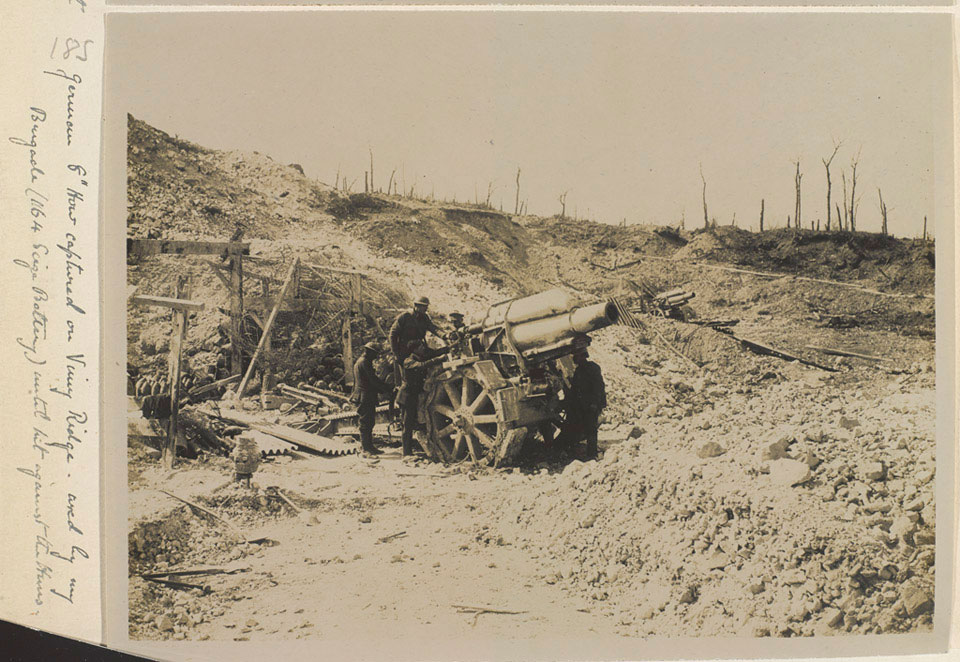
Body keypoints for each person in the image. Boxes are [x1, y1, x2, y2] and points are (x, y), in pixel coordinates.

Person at [398, 339, 447, 457]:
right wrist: (439, 359)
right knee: (407, 425)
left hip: (415, 395)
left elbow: (433, 355)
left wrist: (449, 348)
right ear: (414, 350)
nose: (423, 348)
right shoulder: (408, 361)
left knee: (418, 422)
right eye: (420, 347)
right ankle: (407, 453)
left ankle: (424, 449)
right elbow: (422, 366)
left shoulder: (420, 358)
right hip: (407, 397)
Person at [559, 348, 606, 460]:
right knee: (581, 428)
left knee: (591, 430)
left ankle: (592, 454)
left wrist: (595, 403)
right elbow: (575, 389)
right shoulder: (579, 371)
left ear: (583, 356)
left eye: (577, 356)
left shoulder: (592, 368)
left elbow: (599, 387)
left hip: (591, 405)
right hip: (582, 406)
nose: (575, 359)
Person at [350, 342, 393, 456]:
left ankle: (370, 447)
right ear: (369, 352)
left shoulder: (361, 361)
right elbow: (373, 380)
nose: (376, 356)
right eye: (375, 354)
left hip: (364, 395)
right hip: (365, 396)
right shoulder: (364, 362)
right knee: (365, 423)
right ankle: (365, 449)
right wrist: (388, 388)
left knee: (369, 422)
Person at [389, 296, 443, 363]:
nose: (426, 309)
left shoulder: (425, 317)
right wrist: (396, 353)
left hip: (419, 349)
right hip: (404, 351)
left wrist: (444, 335)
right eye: (424, 306)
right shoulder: (405, 317)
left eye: (427, 306)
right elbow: (393, 335)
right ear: (416, 306)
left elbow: (433, 328)